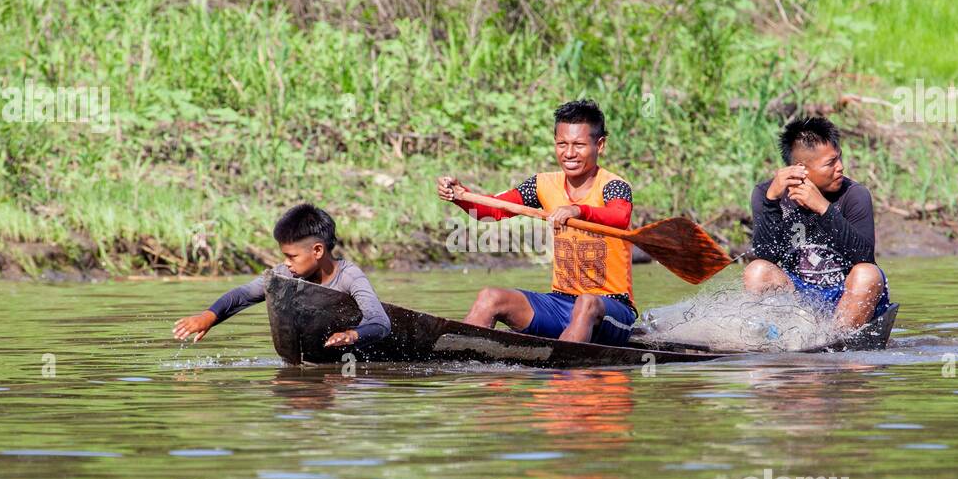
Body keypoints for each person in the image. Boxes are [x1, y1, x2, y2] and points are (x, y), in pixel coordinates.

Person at [437, 99, 637, 345]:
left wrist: (578, 210)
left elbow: (619, 217)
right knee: (490, 297)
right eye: (562, 144)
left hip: (611, 308)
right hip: (560, 303)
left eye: (579, 145)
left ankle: (563, 374)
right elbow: (492, 212)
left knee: (586, 302)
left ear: (600, 145)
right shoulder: (543, 184)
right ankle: (459, 360)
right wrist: (461, 196)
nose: (569, 153)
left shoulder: (614, 185)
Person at [172, 203, 390, 348]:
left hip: (356, 352)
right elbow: (243, 294)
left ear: (317, 251)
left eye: (292, 256)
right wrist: (208, 317)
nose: (286, 263)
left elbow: (380, 323)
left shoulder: (350, 277)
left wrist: (352, 335)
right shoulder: (286, 275)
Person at [744, 116, 891, 329]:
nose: (840, 167)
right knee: (757, 271)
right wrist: (771, 202)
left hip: (848, 295)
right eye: (830, 163)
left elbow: (864, 256)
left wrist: (823, 208)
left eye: (839, 158)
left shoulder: (855, 194)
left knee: (868, 273)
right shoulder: (766, 194)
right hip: (800, 295)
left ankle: (836, 339)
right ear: (800, 168)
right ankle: (781, 336)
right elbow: (766, 255)